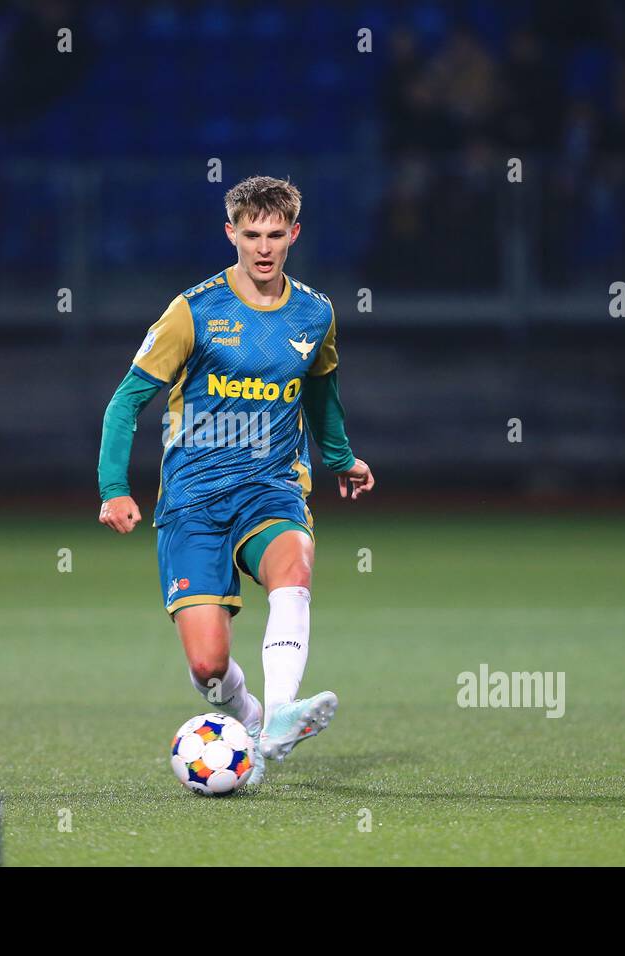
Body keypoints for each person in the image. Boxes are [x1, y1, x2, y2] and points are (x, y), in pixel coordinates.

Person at [97, 176, 374, 784]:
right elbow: (126, 401)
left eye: (276, 234)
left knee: (294, 559)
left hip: (271, 488)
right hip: (193, 502)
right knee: (208, 667)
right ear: (232, 234)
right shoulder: (192, 311)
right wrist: (114, 487)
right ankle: (249, 716)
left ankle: (279, 714)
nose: (264, 246)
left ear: (294, 234)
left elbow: (323, 394)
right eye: (252, 234)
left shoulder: (316, 312)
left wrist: (340, 458)